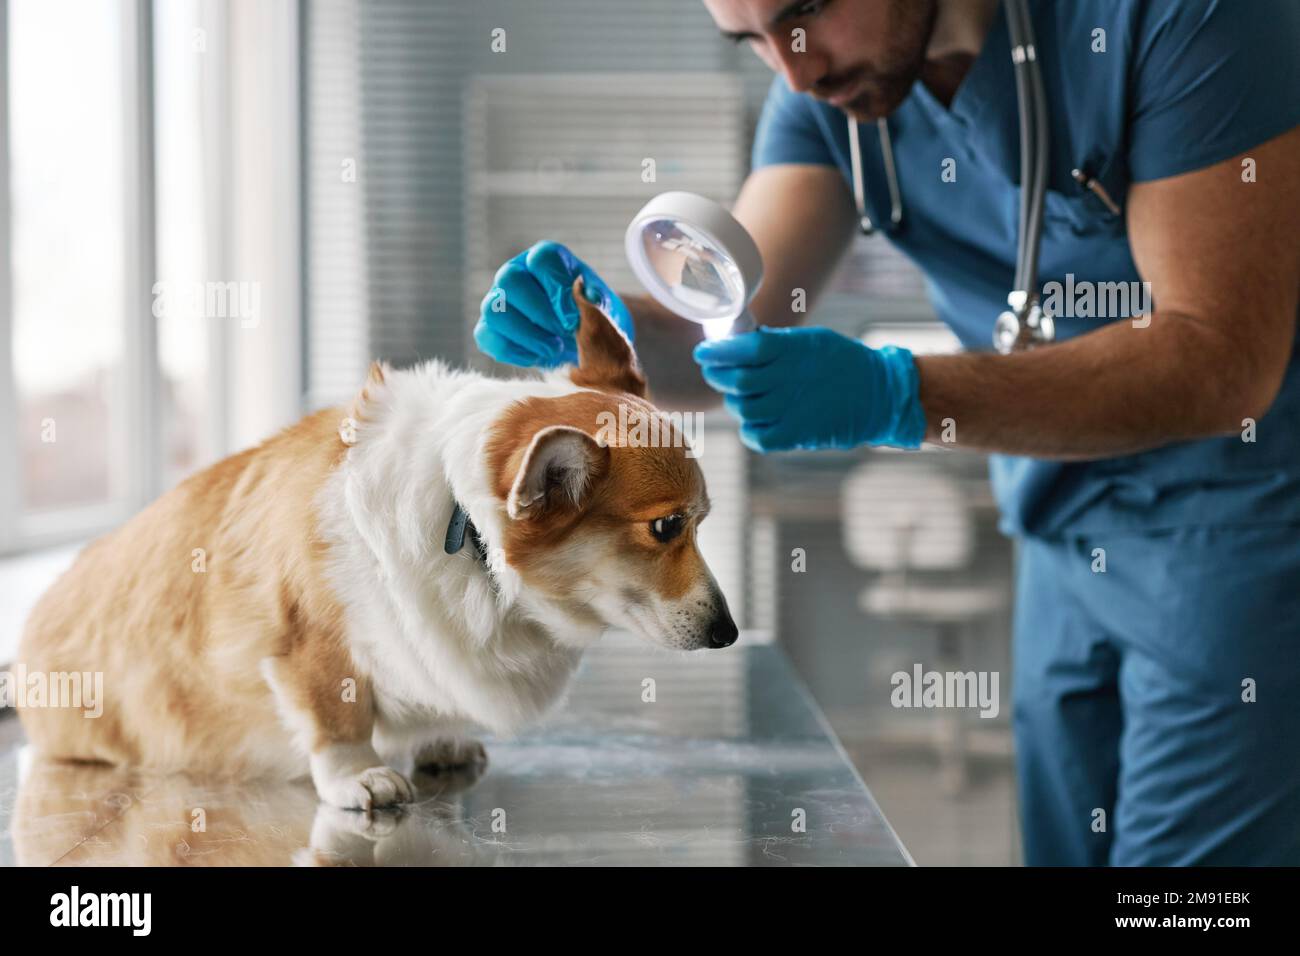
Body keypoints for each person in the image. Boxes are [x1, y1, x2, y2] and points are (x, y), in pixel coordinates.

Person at [472, 0, 1300, 865]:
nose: (795, 70)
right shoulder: (833, 97)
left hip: (1245, 528)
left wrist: (896, 392)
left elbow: (1222, 359)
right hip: (1062, 527)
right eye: (751, 41)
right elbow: (719, 332)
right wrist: (591, 329)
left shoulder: (1182, 19)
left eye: (806, 11)